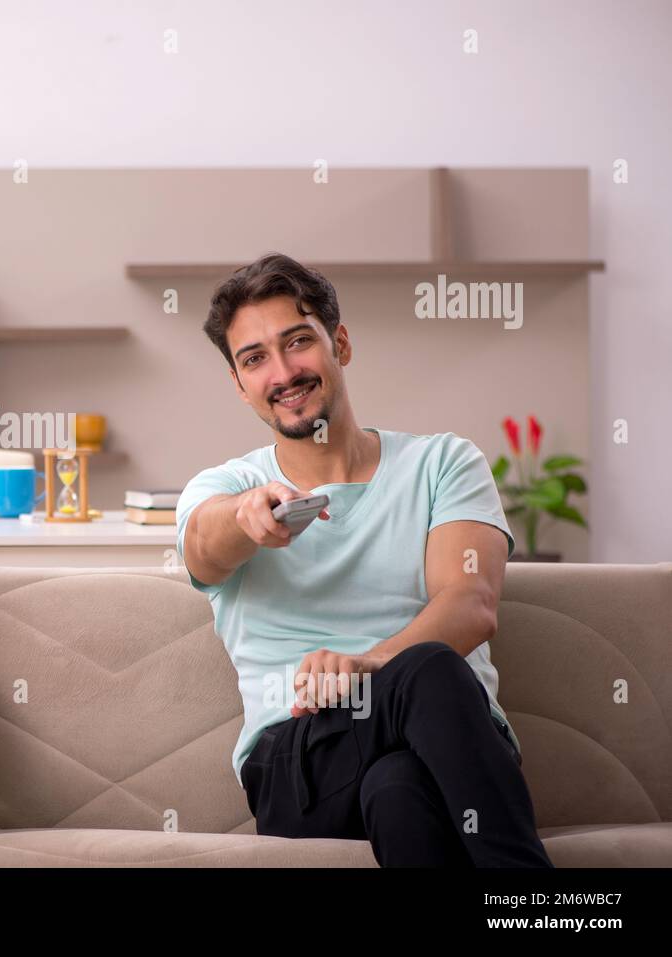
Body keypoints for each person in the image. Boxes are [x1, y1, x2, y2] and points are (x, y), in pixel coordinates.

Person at [176, 253, 553, 867]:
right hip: (302, 763)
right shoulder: (226, 487)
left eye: (297, 342)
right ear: (240, 385)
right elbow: (203, 548)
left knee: (398, 790)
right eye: (254, 359)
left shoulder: (444, 464)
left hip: (444, 746)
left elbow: (471, 605)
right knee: (427, 672)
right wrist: (245, 514)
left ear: (340, 344)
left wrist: (366, 664)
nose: (282, 372)